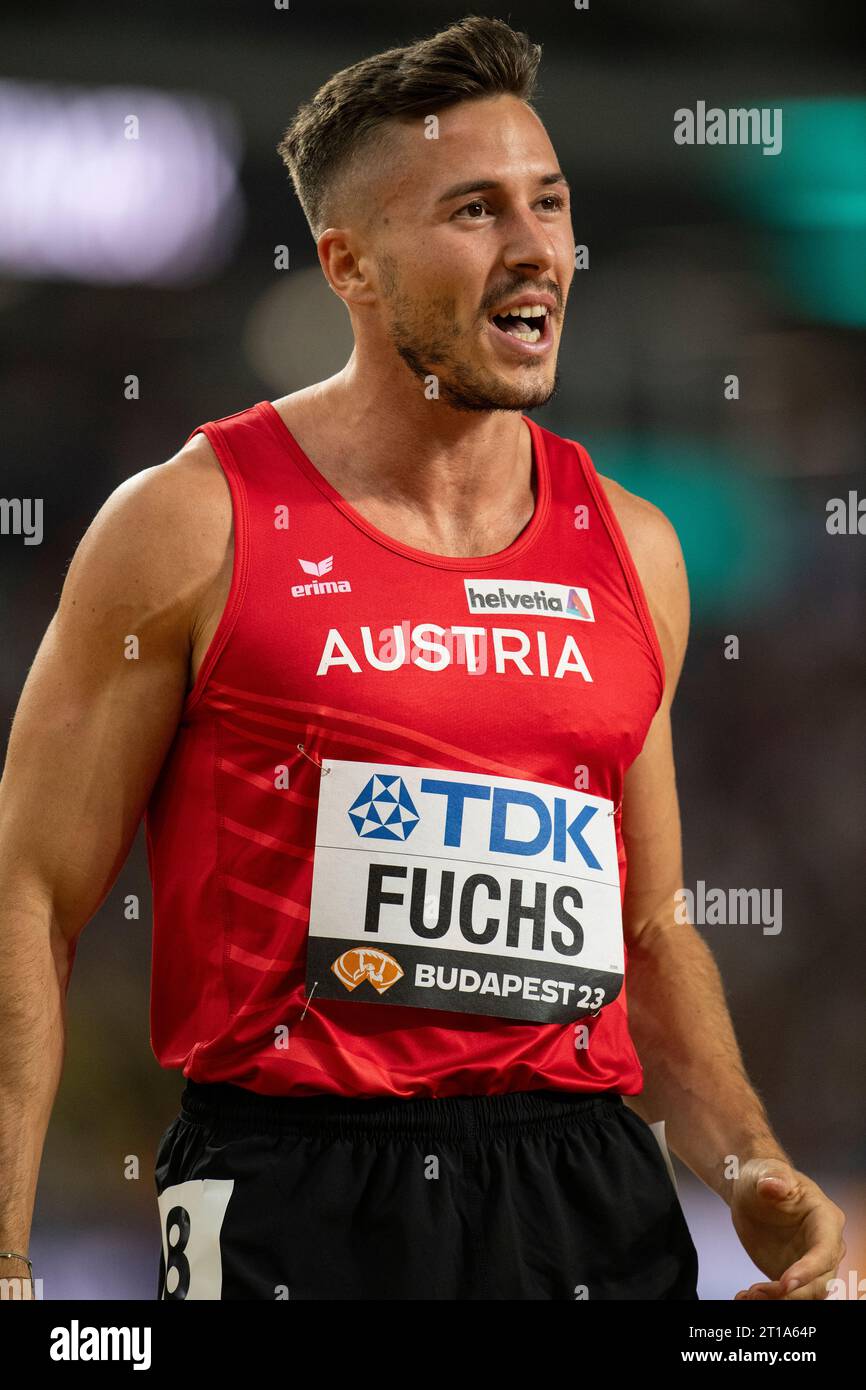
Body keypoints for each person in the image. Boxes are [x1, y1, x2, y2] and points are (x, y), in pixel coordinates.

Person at [0, 17, 845, 1301]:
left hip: (585, 1192)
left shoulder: (633, 547)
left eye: (548, 205)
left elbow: (650, 928)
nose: (535, 248)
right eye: (472, 210)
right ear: (347, 262)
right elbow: (30, 898)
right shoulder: (188, 523)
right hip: (296, 1188)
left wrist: (748, 1168)